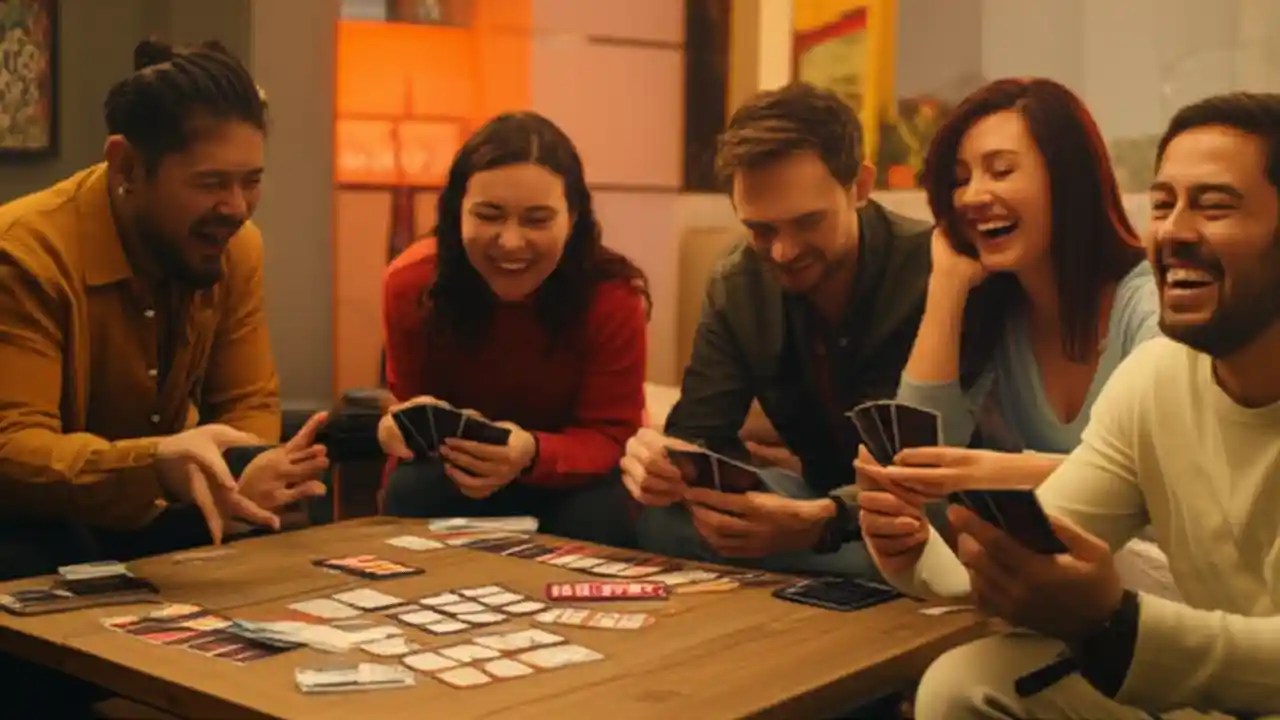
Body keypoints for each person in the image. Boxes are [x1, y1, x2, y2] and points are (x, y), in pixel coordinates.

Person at [857, 92, 1280, 719]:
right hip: (1199, 682)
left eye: (1214, 206)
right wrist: (914, 551)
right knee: (966, 682)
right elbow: (1045, 548)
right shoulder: (1157, 377)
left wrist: (1117, 622)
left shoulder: (1134, 317)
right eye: (1163, 205)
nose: (1173, 232)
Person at [0, 39, 329, 582]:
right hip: (33, 518)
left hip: (158, 508)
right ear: (127, 165)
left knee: (283, 530)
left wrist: (248, 474)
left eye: (251, 181)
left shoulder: (236, 246)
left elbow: (246, 403)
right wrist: (156, 465)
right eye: (210, 183)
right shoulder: (25, 256)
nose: (237, 209)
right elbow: (13, 450)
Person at [619, 82, 942, 577]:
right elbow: (700, 434)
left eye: (807, 222)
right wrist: (668, 466)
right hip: (808, 501)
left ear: (859, 185)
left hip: (917, 515)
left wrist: (822, 521)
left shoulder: (932, 270)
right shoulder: (738, 284)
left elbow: (942, 467)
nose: (783, 252)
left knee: (910, 553)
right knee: (663, 523)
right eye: (761, 229)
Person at [877, 78, 1159, 502]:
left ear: (1069, 178)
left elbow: (1162, 479)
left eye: (1001, 171)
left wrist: (993, 472)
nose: (971, 196)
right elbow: (916, 468)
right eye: (959, 179)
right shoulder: (997, 312)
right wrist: (946, 287)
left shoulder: (1148, 304)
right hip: (1043, 562)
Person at [378, 112, 648, 547]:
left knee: (604, 510)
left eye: (537, 220)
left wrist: (530, 453)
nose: (510, 242)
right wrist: (397, 429)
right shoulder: (411, 284)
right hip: (454, 471)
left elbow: (612, 436)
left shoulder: (612, 297)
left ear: (573, 218)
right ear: (456, 212)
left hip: (570, 479)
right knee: (412, 487)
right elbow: (411, 406)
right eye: (489, 215)